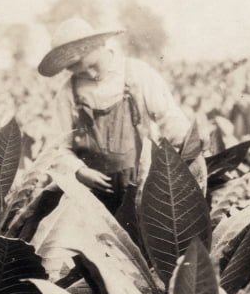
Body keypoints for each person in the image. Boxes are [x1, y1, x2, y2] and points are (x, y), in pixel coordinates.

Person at [39, 16, 196, 222]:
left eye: (93, 66)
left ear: (101, 45)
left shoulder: (137, 74)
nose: (89, 73)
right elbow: (58, 146)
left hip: (144, 184)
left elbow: (170, 120)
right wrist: (79, 171)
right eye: (79, 71)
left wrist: (192, 154)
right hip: (91, 193)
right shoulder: (68, 93)